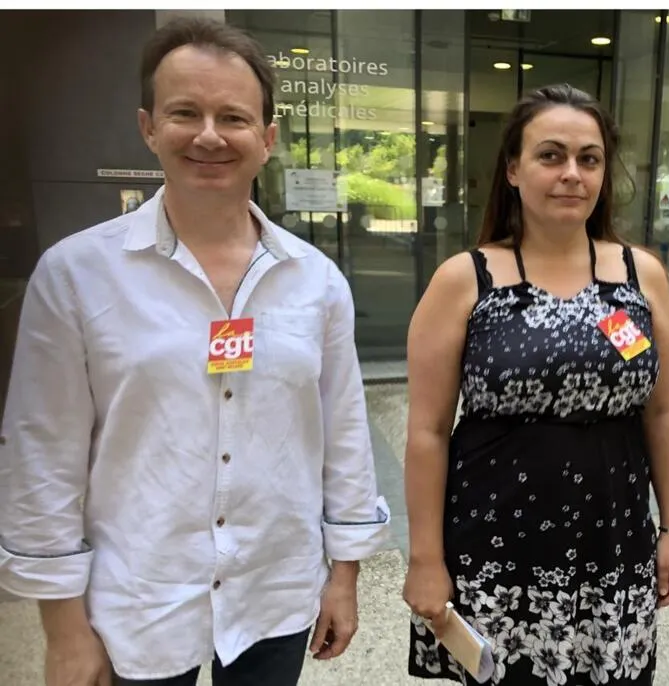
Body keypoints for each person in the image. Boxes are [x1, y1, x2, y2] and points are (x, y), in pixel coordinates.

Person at [0, 17, 390, 686]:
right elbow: (42, 457)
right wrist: (63, 628)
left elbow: (344, 436)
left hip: (276, 589)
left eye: (233, 117)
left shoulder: (315, 281)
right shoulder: (76, 275)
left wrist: (344, 576)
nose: (209, 134)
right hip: (139, 600)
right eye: (186, 112)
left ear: (266, 139)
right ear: (149, 126)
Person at [401, 83, 669, 685]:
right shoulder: (465, 280)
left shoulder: (642, 276)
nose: (572, 175)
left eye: (589, 159)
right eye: (550, 156)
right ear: (513, 168)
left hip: (614, 540)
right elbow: (427, 431)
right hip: (496, 540)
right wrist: (426, 559)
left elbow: (662, 413)